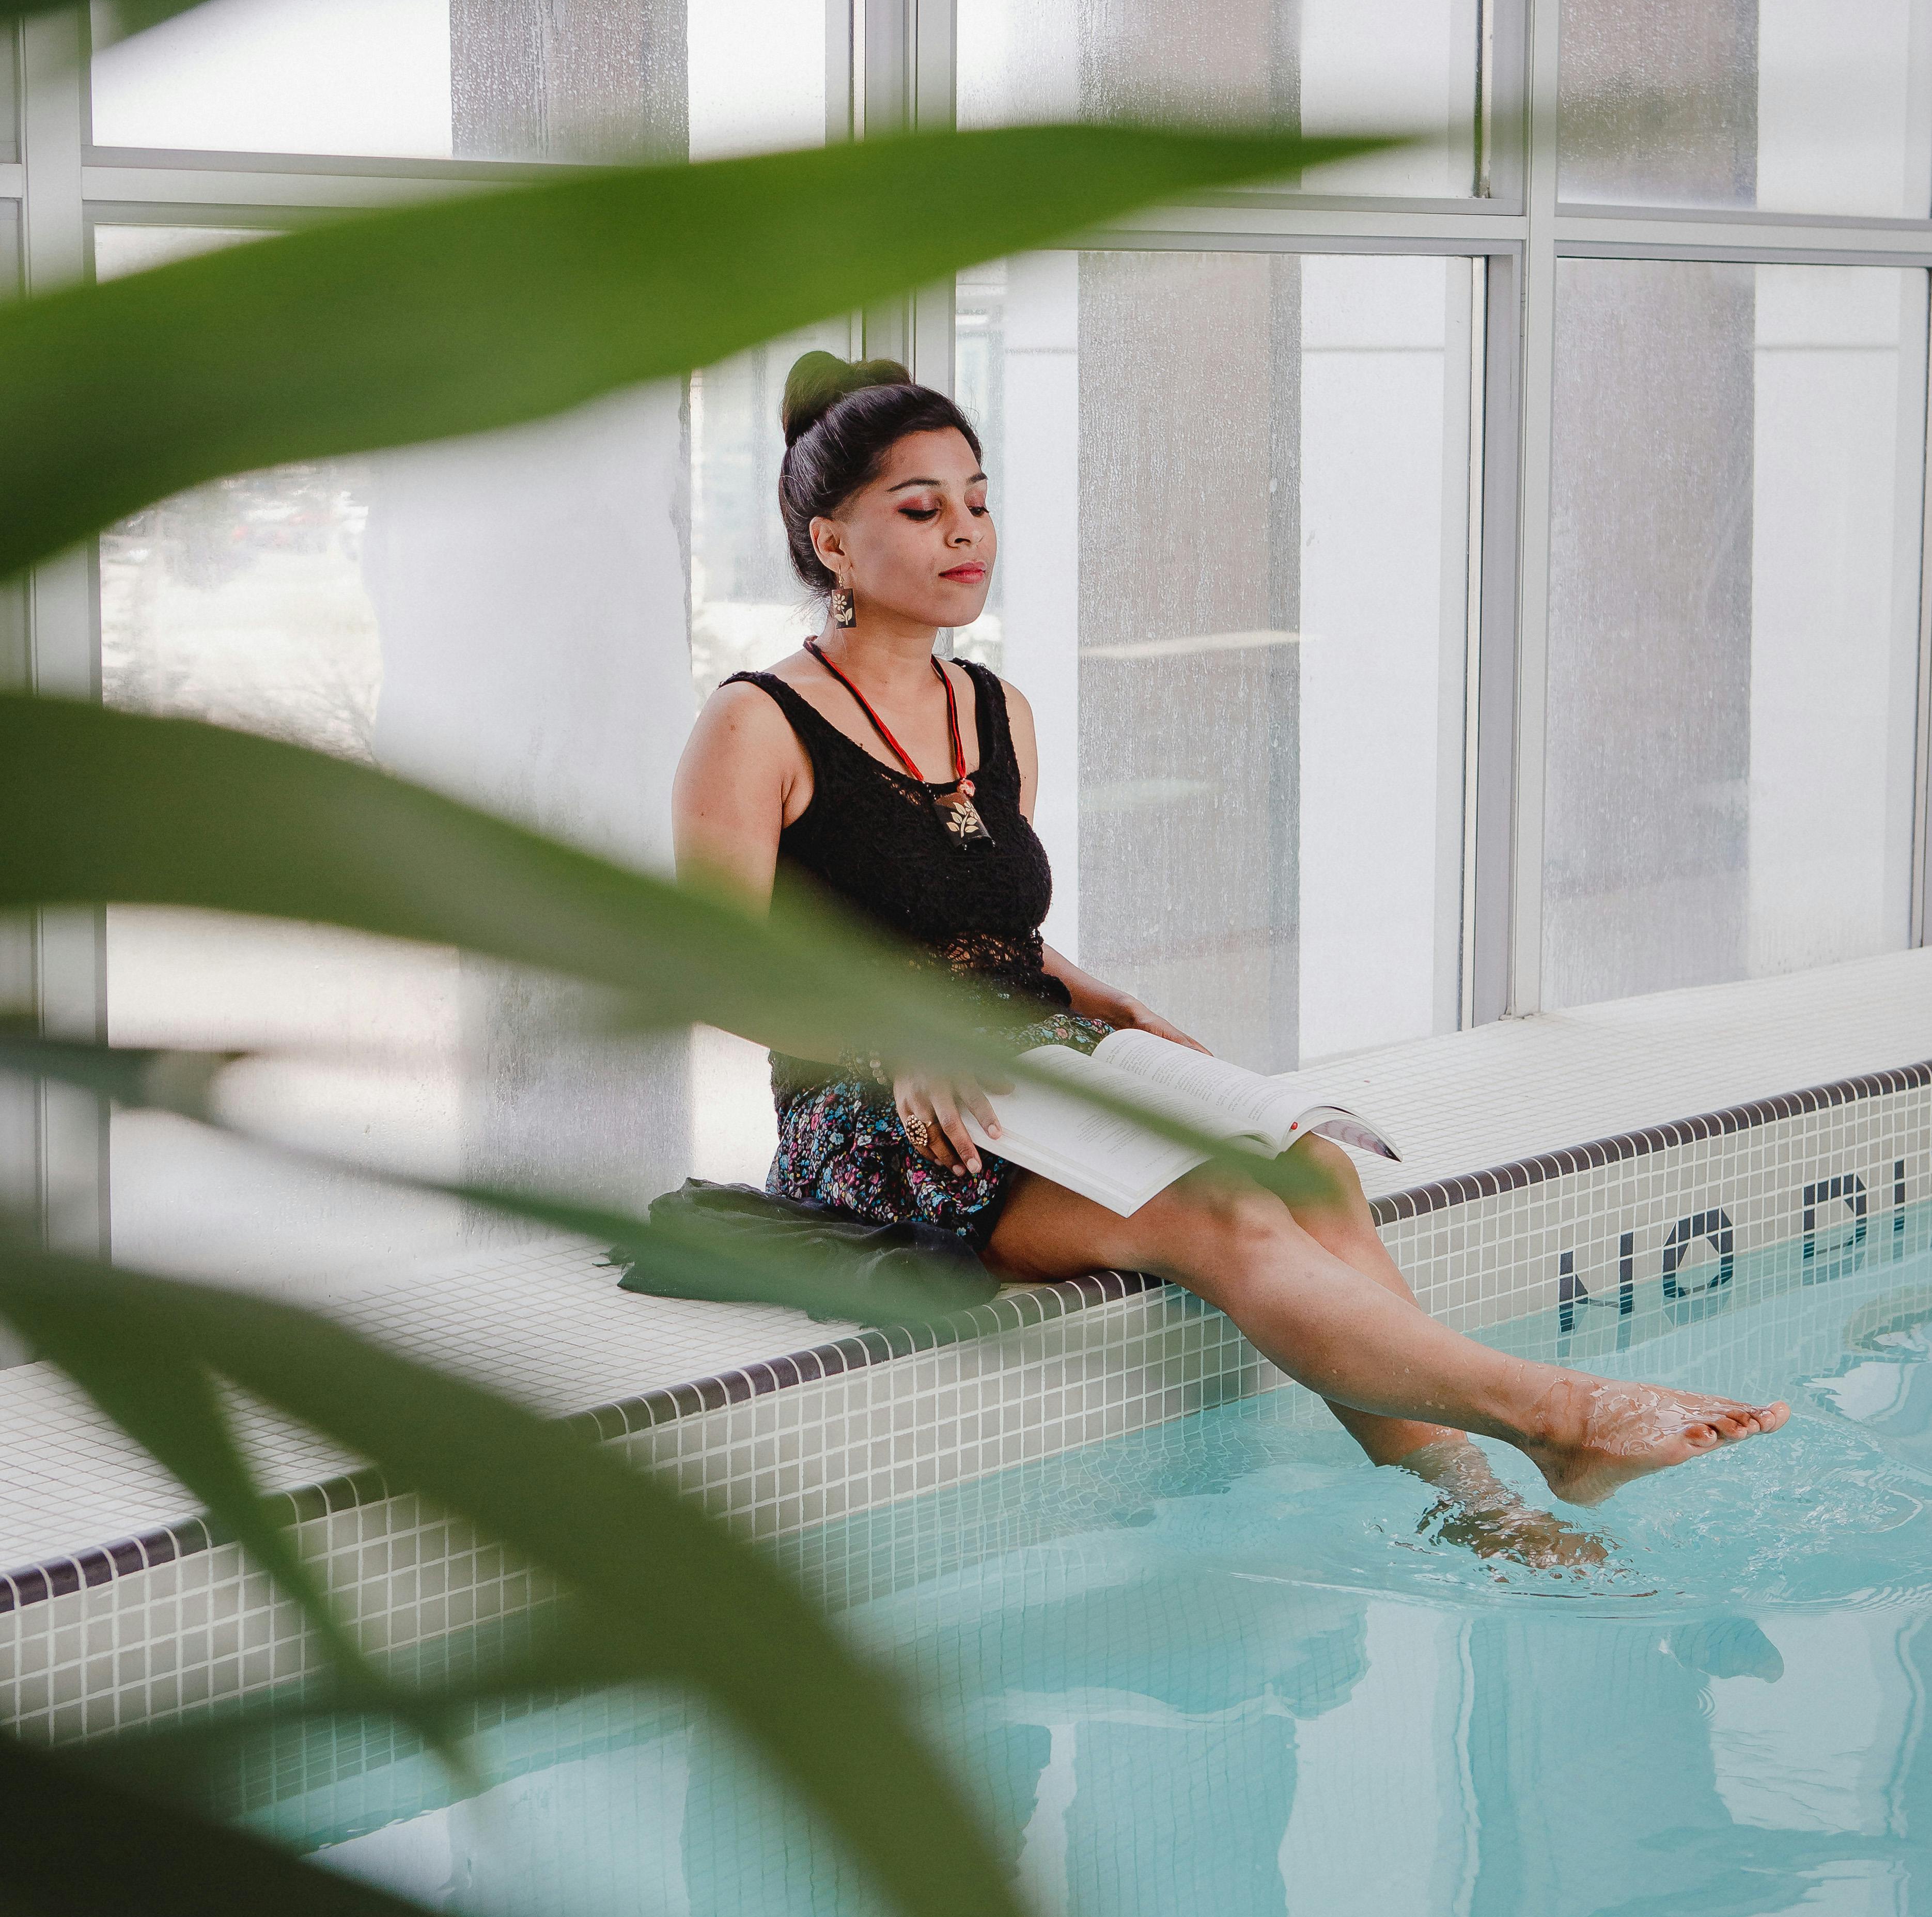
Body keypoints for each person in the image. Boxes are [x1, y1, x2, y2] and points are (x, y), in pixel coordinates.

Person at [673, 353, 1788, 1526]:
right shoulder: (757, 722)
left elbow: (989, 932)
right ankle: (1545, 1433)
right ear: (832, 545)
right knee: (1223, 1212)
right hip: (881, 1113)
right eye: (922, 508)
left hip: (1040, 1058)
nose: (967, 533)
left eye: (979, 500)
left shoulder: (995, 711)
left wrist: (1113, 1006)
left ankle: (1469, 1496)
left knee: (1313, 1166)